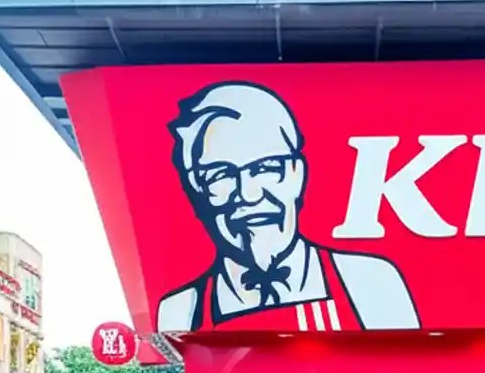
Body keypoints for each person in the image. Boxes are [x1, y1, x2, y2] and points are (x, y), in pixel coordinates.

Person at [156, 81, 420, 333]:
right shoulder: (181, 310)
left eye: (266, 168)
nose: (249, 194)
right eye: (220, 175)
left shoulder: (370, 282)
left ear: (297, 174)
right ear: (198, 192)